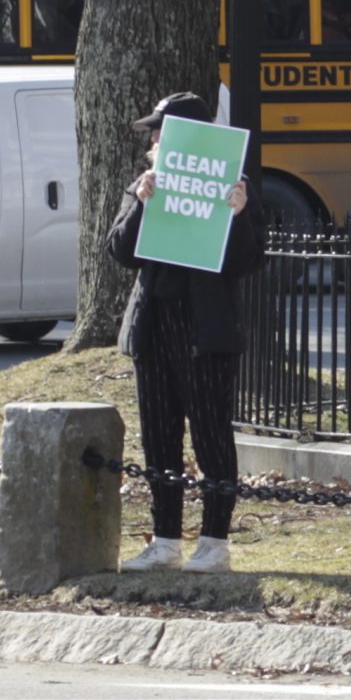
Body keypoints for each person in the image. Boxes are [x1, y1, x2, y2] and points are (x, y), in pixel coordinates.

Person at [109, 92, 268, 573]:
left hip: (205, 328)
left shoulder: (234, 188)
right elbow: (119, 249)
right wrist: (140, 203)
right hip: (155, 324)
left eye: (161, 132)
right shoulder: (143, 184)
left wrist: (238, 215)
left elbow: (248, 260)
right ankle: (165, 541)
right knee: (159, 435)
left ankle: (215, 541)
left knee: (210, 435)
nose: (153, 140)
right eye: (154, 134)